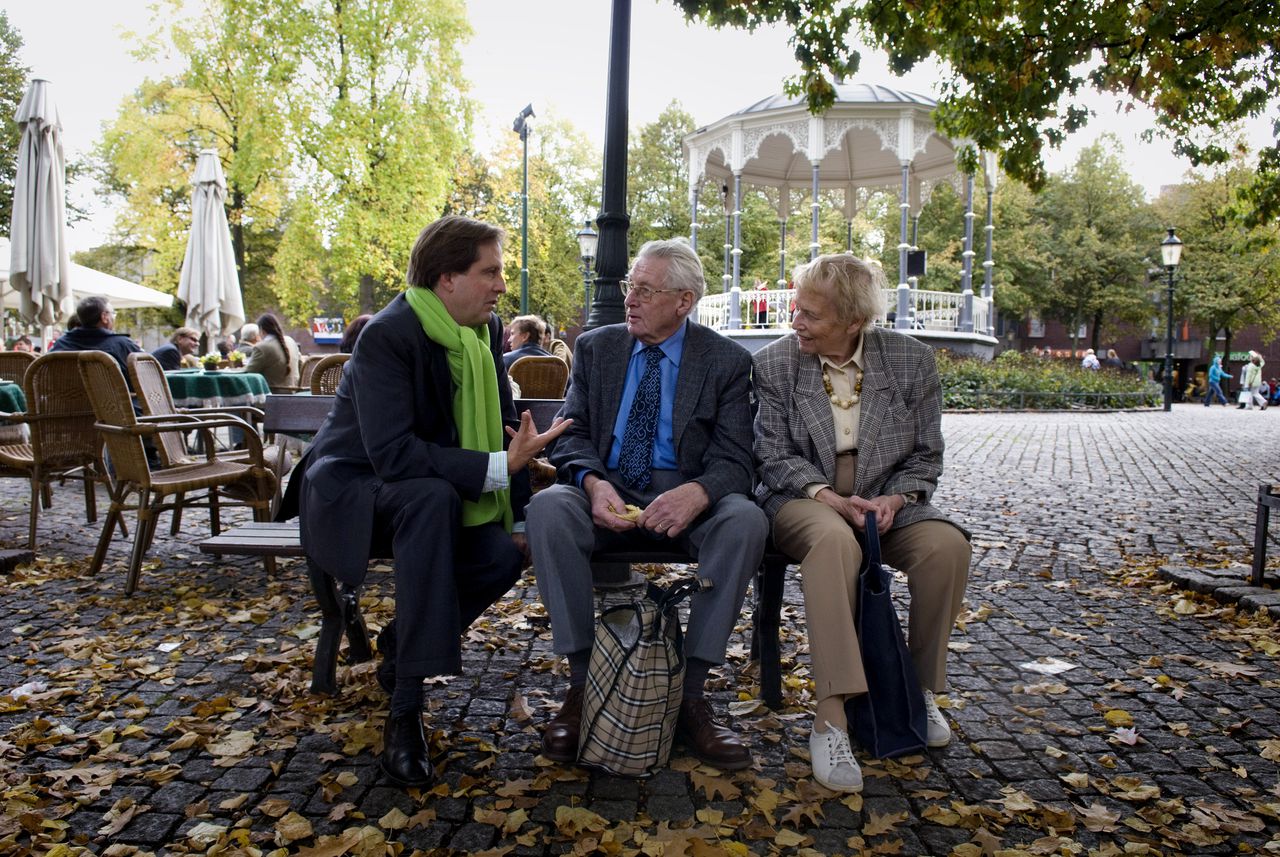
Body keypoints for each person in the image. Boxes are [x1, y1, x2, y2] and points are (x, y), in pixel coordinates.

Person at [290, 215, 570, 789]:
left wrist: (519, 514)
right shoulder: (389, 334)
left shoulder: (484, 330)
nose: (501, 286)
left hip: (432, 494)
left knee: (499, 554)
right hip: (354, 491)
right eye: (489, 272)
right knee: (430, 498)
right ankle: (405, 710)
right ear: (447, 278)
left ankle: (399, 648)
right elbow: (393, 455)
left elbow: (507, 433)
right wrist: (498, 469)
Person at [526, 238, 766, 772]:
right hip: (607, 491)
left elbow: (736, 458)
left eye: (645, 290)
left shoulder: (726, 360)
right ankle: (583, 686)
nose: (629, 300)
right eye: (628, 286)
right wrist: (592, 483)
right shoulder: (597, 348)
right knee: (548, 509)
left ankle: (691, 696)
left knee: (745, 520)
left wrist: (698, 492)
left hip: (685, 496)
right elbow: (570, 434)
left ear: (684, 302)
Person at [752, 253, 971, 793]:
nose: (796, 322)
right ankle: (832, 718)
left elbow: (927, 454)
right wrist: (828, 496)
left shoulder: (911, 360)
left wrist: (895, 499)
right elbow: (772, 455)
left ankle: (915, 692)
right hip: (803, 498)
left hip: (886, 500)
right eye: (796, 309)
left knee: (946, 547)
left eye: (811, 315)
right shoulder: (775, 364)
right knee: (834, 544)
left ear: (854, 321)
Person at [49, 295, 142, 378]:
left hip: (66, 392)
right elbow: (147, 375)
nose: (114, 317)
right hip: (111, 393)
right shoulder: (122, 345)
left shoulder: (60, 345)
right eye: (113, 313)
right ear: (104, 317)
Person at [243, 313, 302, 393]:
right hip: (295, 391)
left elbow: (248, 373)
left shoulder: (262, 347)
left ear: (261, 330)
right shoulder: (291, 341)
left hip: (272, 394)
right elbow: (300, 363)